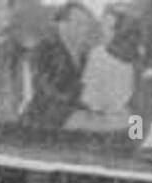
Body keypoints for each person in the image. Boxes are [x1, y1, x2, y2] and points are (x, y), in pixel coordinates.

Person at [20, 2, 104, 130]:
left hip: (78, 121)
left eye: (86, 24)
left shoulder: (86, 55)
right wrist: (80, 105)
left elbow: (94, 89)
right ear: (62, 25)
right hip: (43, 124)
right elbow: (47, 91)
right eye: (79, 23)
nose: (85, 29)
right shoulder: (43, 50)